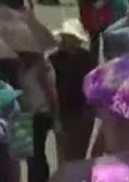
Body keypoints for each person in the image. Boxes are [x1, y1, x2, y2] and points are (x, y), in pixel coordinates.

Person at [48, 19, 95, 164]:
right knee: (64, 157)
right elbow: (52, 89)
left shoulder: (87, 58)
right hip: (64, 114)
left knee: (79, 156)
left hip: (84, 113)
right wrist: (56, 121)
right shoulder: (54, 59)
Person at [16, 51, 56, 182]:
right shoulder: (21, 65)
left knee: (36, 154)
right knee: (29, 156)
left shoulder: (41, 66)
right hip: (25, 115)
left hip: (40, 114)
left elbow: (50, 91)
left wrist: (56, 116)